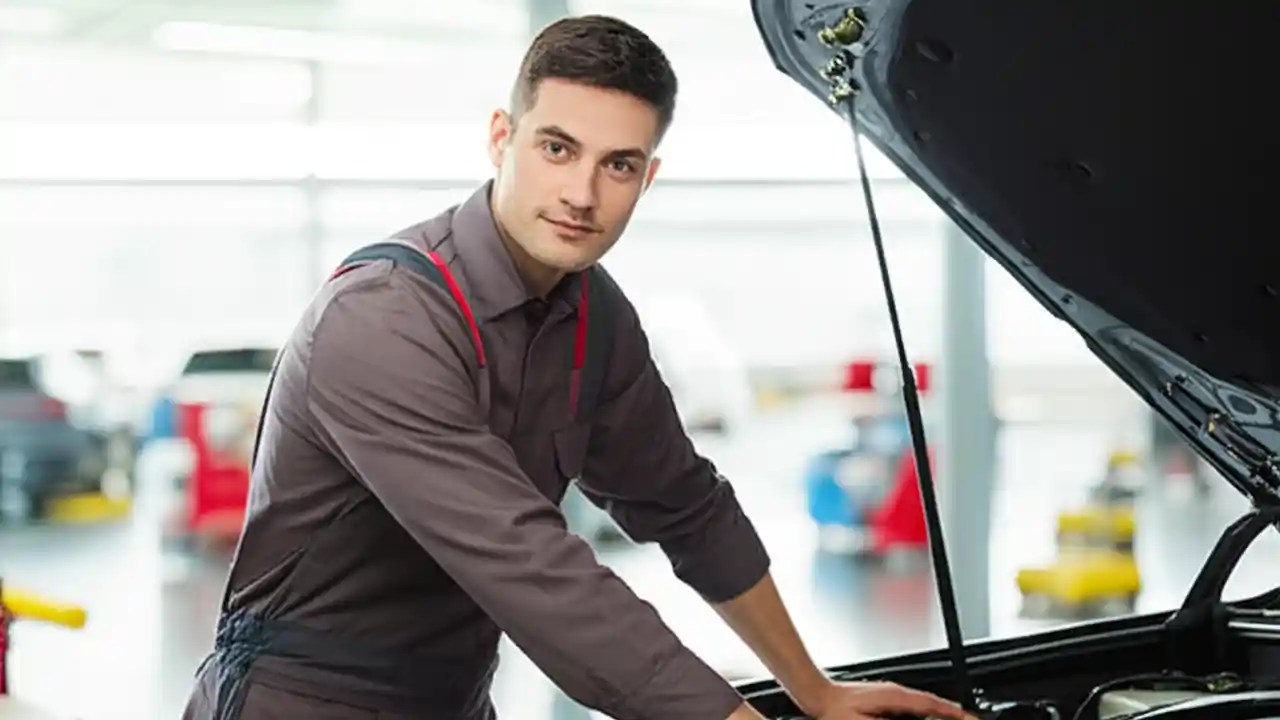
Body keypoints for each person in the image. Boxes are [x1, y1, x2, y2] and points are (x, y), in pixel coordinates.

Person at [183, 14, 973, 720]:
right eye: (557, 149)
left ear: (647, 177)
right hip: (297, 700)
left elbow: (688, 507)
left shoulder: (593, 314)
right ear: (502, 138)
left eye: (619, 165)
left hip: (454, 698)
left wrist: (818, 692)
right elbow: (536, 574)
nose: (581, 194)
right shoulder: (382, 320)